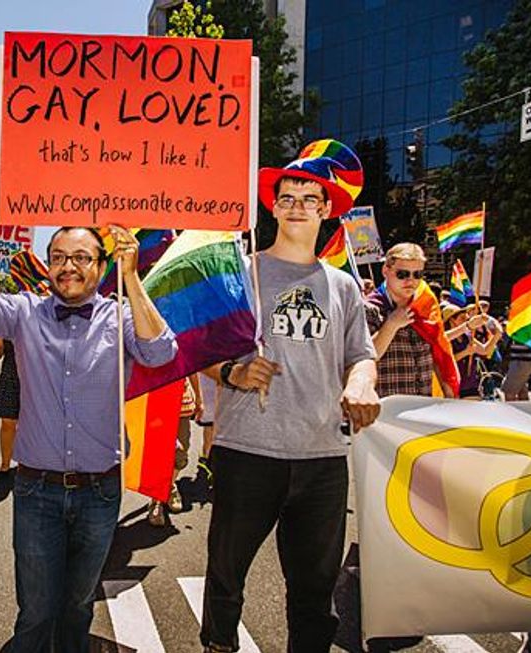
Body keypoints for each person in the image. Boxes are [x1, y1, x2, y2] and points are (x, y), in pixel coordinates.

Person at [0, 176, 176, 653]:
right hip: (36, 491)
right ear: (48, 266)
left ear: (101, 266)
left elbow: (160, 352)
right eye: (60, 258)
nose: (69, 267)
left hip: (100, 491)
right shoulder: (24, 311)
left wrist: (131, 277)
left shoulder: (119, 314)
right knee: (36, 610)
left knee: (79, 605)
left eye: (82, 258)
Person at [200, 140, 380, 653]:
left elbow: (360, 355)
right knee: (225, 578)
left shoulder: (344, 286)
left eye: (309, 198)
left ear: (327, 209)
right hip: (248, 451)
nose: (297, 206)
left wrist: (361, 382)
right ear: (272, 206)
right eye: (287, 197)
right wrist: (232, 372)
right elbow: (197, 351)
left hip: (323, 458)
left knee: (314, 594)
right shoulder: (241, 272)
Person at [364, 243, 458, 398]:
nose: (411, 280)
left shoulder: (425, 306)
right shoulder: (369, 308)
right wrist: (391, 325)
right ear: (385, 271)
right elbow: (365, 356)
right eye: (402, 274)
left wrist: (446, 386)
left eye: (417, 274)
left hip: (422, 405)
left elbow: (437, 350)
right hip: (385, 406)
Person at [147, 374, 200, 526]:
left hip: (181, 403)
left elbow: (192, 368)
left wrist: (199, 398)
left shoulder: (186, 348)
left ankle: (169, 486)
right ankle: (157, 499)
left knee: (180, 454)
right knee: (158, 454)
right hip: (156, 399)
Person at [444, 304, 502, 399]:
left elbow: (484, 350)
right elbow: (446, 361)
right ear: (452, 320)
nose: (466, 319)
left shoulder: (468, 336)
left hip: (470, 382)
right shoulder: (445, 338)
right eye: (462, 318)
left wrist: (497, 336)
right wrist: (465, 352)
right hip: (455, 383)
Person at [0, 337, 20, 475]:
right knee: (7, 422)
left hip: (37, 376)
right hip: (11, 374)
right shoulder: (6, 322)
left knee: (37, 423)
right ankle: (5, 465)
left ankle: (31, 464)